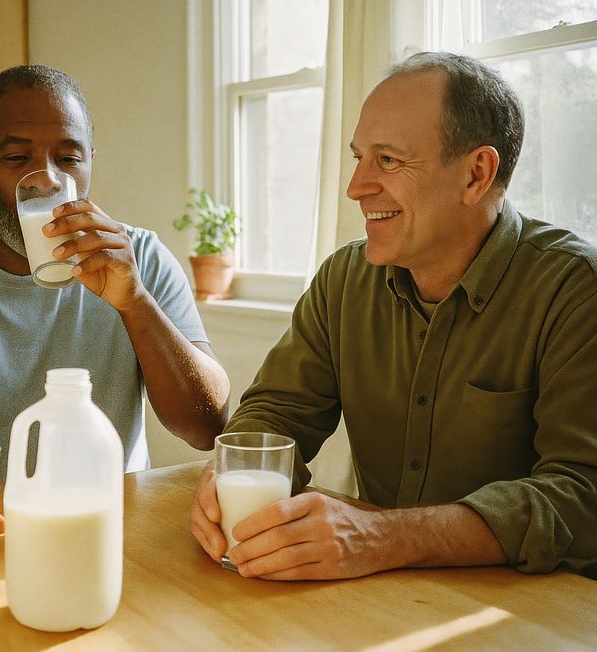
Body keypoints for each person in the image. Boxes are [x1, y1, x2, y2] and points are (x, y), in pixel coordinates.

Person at [191, 52, 596, 580]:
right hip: (379, 595)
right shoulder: (343, 280)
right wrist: (230, 477)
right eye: (359, 157)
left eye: (387, 160)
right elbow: (278, 413)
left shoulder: (574, 290)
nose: (356, 187)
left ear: (477, 174)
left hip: (528, 611)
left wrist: (386, 536)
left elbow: (582, 496)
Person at [0, 65, 230, 520]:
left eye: (69, 160)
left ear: (90, 161)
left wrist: (135, 304)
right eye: (17, 159)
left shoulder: (141, 259)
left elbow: (207, 427)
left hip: (112, 525)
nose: (46, 179)